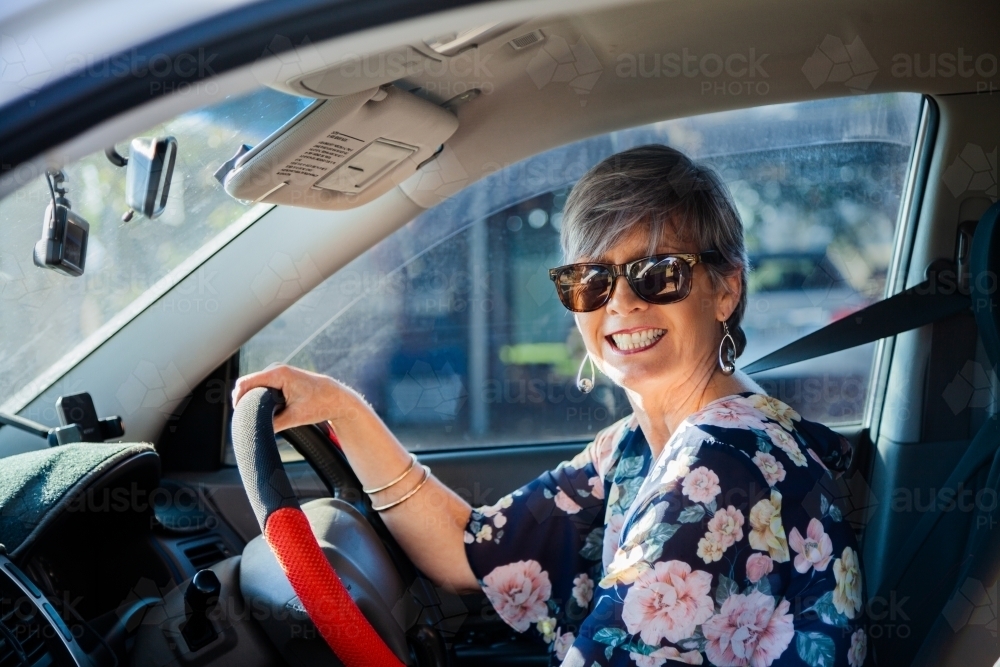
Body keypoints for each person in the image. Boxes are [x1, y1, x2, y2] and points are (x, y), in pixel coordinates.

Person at [232, 145, 867, 667]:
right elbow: (469, 552)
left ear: (725, 288)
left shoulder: (718, 471)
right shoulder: (640, 445)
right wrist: (343, 409)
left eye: (657, 273)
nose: (621, 303)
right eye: (591, 281)